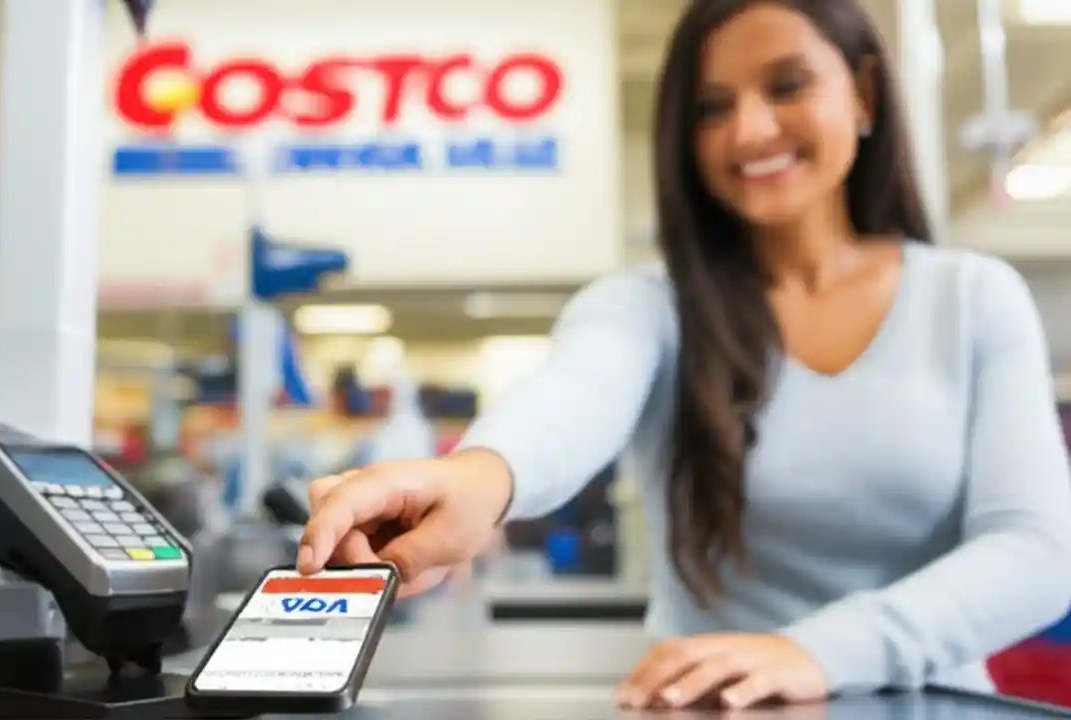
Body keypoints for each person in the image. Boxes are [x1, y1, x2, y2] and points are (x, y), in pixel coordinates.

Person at [296, 0, 1071, 711]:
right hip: (709, 708)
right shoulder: (646, 306)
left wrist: (816, 652)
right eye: (712, 108)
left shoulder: (972, 298)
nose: (749, 130)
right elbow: (573, 395)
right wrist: (478, 477)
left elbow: (1039, 550)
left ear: (864, 95)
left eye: (787, 85)